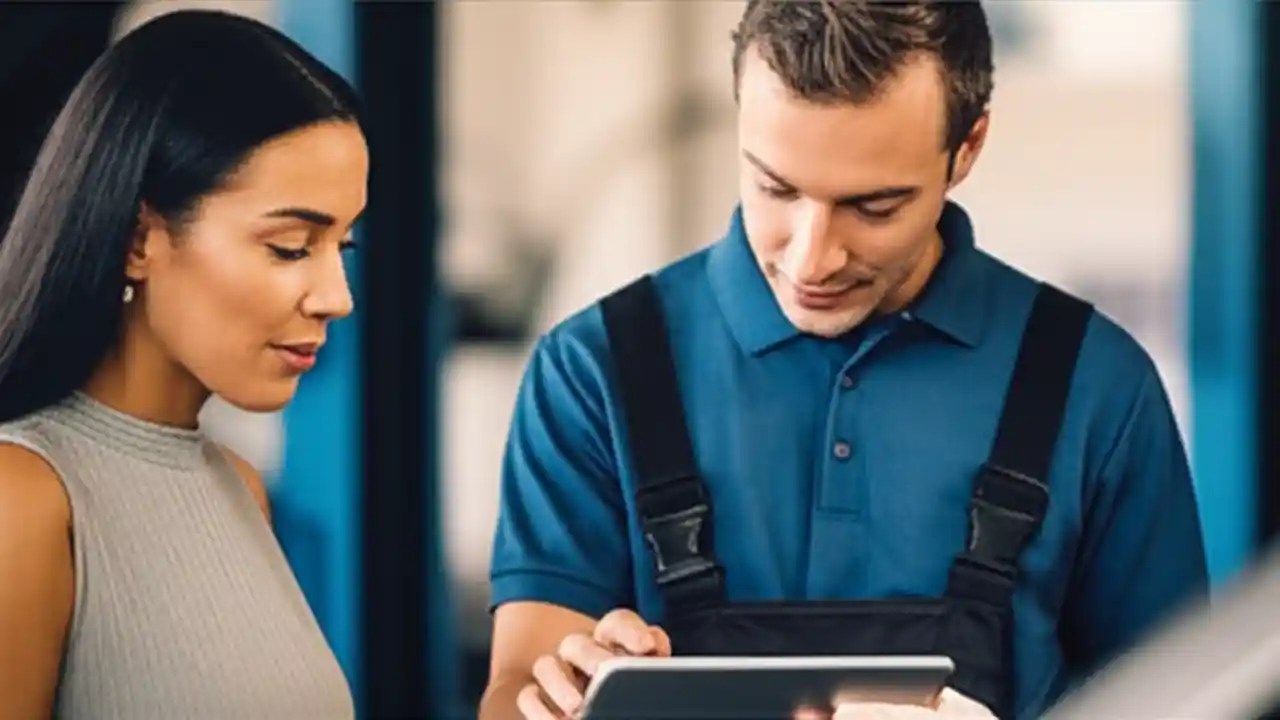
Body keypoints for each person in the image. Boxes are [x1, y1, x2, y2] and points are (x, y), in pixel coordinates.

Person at [481, 2, 1209, 719]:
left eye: (874, 207)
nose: (812, 258)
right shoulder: (594, 372)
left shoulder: (1096, 385)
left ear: (969, 147)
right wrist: (562, 701)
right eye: (776, 187)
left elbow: (1188, 702)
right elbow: (517, 693)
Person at [0, 10, 364, 719]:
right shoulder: (26, 499)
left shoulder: (237, 486)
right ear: (139, 240)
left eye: (342, 248)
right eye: (291, 246)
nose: (336, 298)